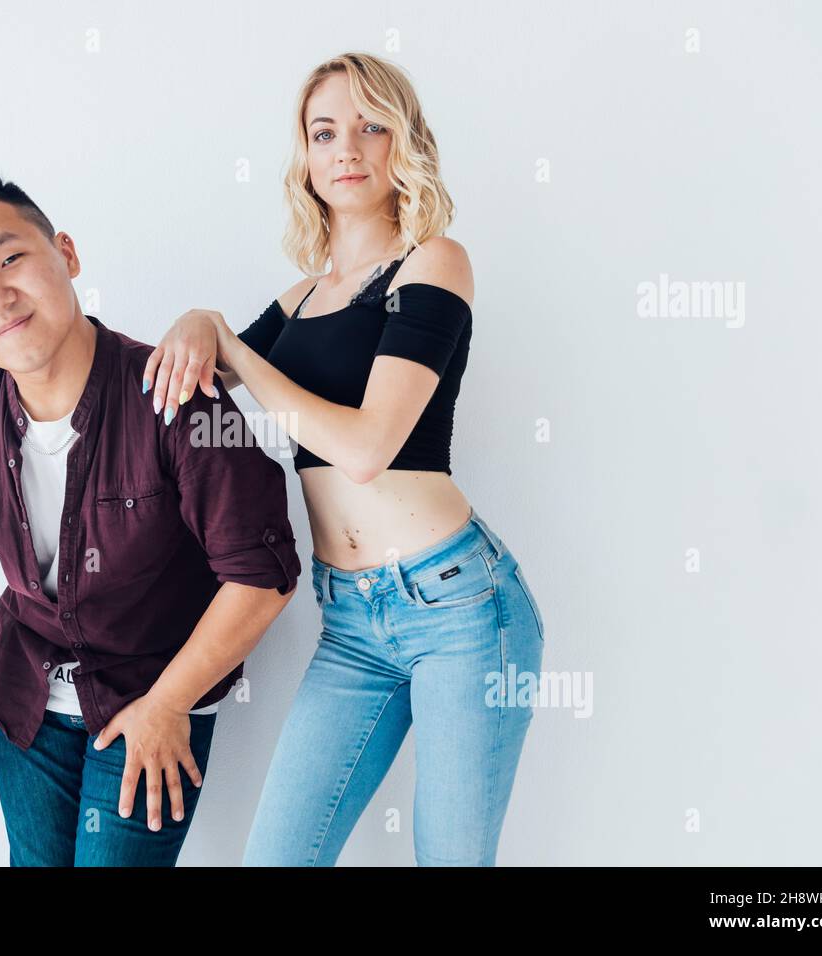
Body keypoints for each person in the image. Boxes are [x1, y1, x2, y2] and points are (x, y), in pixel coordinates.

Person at [144, 53, 546, 866]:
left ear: (406, 142)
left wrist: (234, 345)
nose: (347, 148)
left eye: (371, 126)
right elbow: (199, 383)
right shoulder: (298, 301)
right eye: (325, 131)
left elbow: (366, 449)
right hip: (352, 622)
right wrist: (197, 320)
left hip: (461, 608)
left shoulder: (435, 262)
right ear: (305, 156)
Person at [0, 171, 301, 866]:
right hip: (25, 708)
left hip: (153, 699)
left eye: (10, 260)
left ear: (66, 253)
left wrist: (168, 705)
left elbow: (262, 575)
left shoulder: (176, 397)